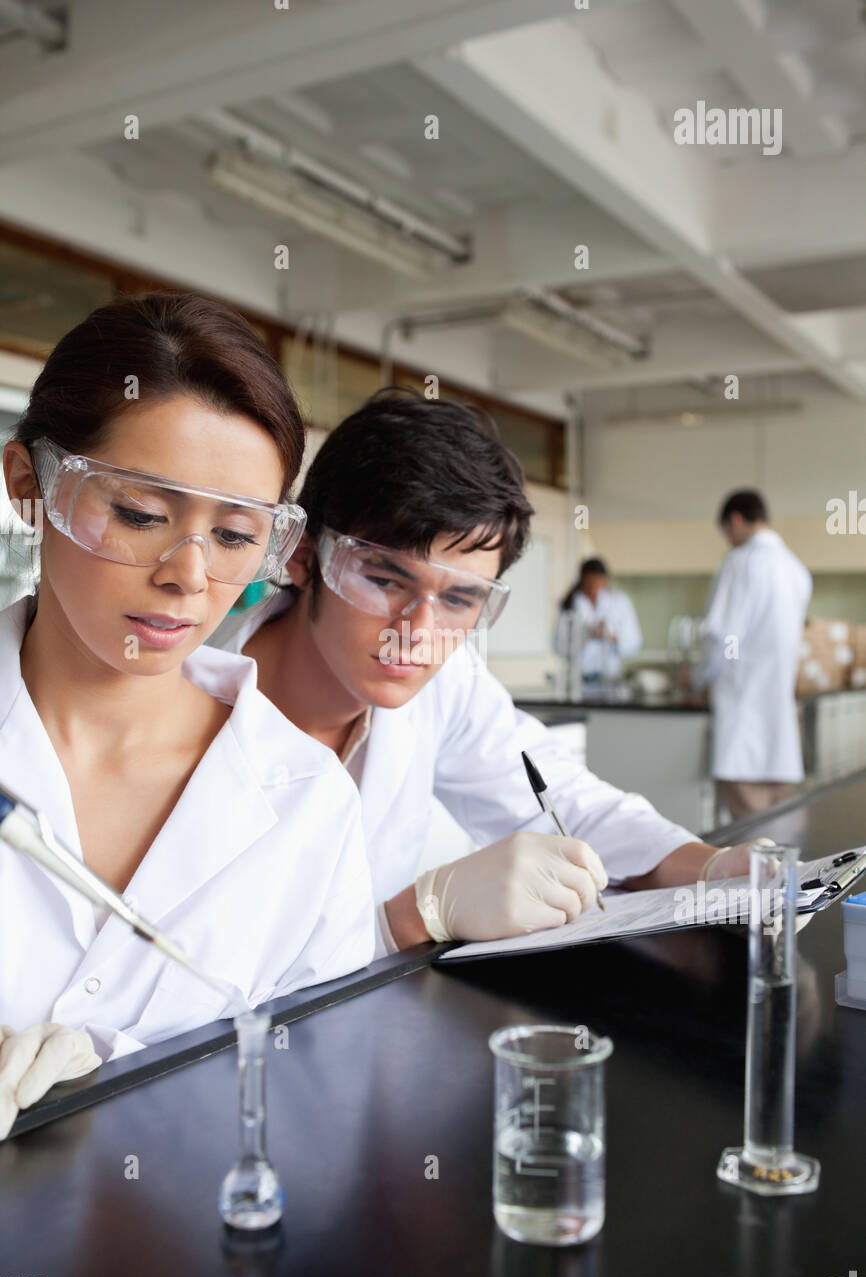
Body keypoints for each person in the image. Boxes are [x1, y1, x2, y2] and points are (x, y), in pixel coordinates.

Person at [0, 293, 375, 1140]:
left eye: (237, 535)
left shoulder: (306, 803)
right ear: (30, 486)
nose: (189, 576)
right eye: (139, 515)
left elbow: (322, 1102)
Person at [210, 389, 763, 955]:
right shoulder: (185, 709)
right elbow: (191, 980)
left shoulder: (444, 682)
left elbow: (563, 800)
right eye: (384, 580)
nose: (418, 633)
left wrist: (714, 869)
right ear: (303, 555)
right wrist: (409, 919)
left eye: (460, 599)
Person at [691, 489, 812, 820]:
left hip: (743, 733)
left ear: (736, 520)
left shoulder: (740, 563)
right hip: (779, 738)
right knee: (781, 843)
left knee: (751, 849)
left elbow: (725, 640)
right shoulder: (796, 570)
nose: (728, 541)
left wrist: (698, 678)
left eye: (727, 533)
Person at [554, 557, 642, 683]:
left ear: (605, 580)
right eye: (589, 581)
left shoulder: (620, 602)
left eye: (597, 581)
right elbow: (558, 646)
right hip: (579, 678)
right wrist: (585, 634)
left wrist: (612, 637)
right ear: (582, 580)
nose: (593, 587)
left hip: (610, 678)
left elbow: (634, 642)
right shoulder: (569, 604)